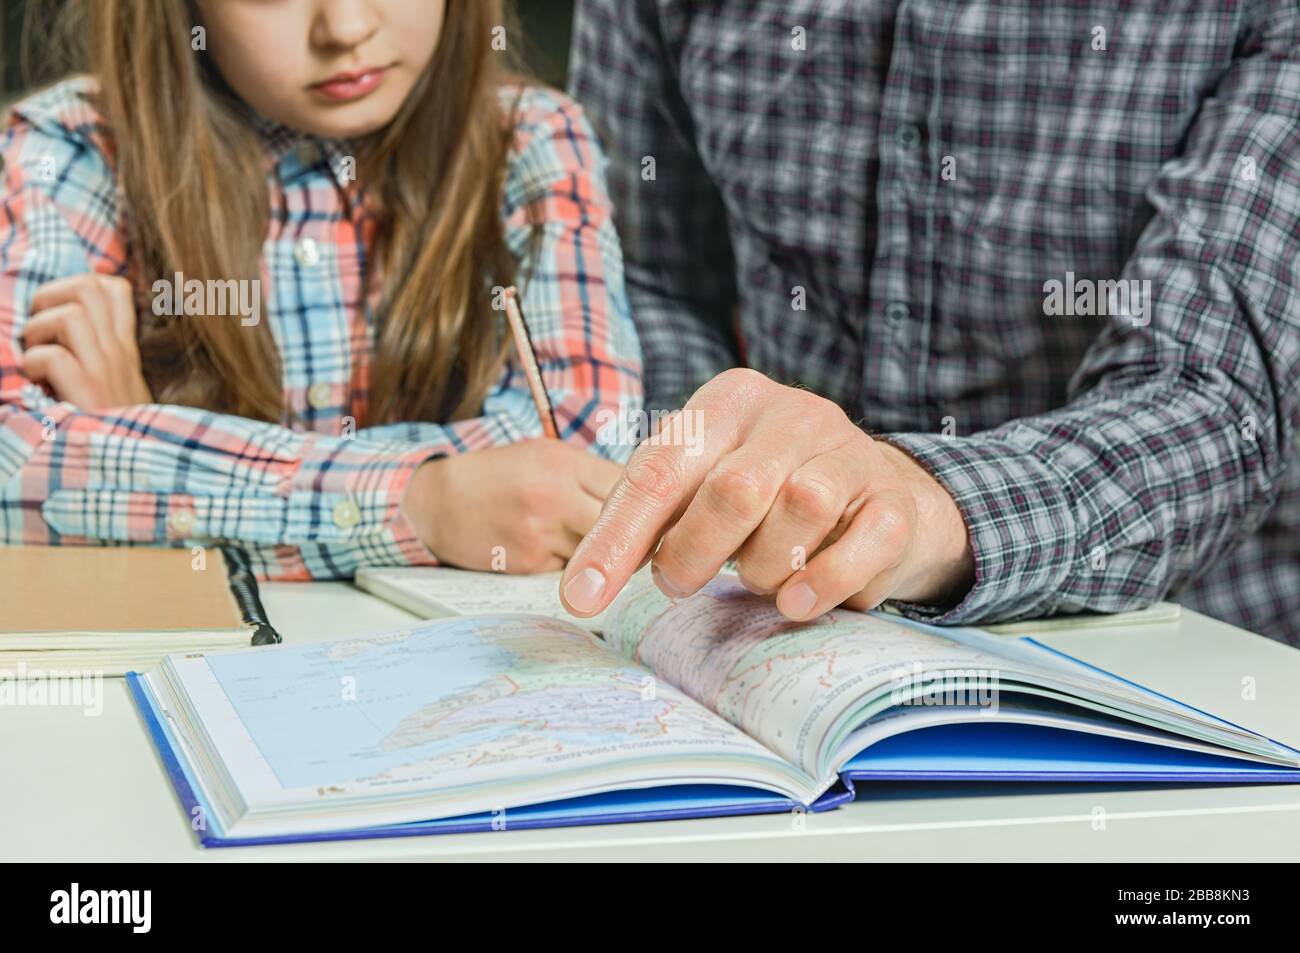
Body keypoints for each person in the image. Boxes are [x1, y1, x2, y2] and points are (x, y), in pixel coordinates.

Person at [562, 0, 1300, 645]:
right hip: (778, 633)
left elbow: (1210, 393)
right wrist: (722, 482)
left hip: (1195, 672)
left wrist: (916, 503)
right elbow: (653, 278)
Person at [0, 0, 642, 579]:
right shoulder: (71, 147)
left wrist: (138, 445)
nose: (346, 28)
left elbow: (586, 461)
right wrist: (425, 504)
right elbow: (14, 459)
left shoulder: (533, 137)